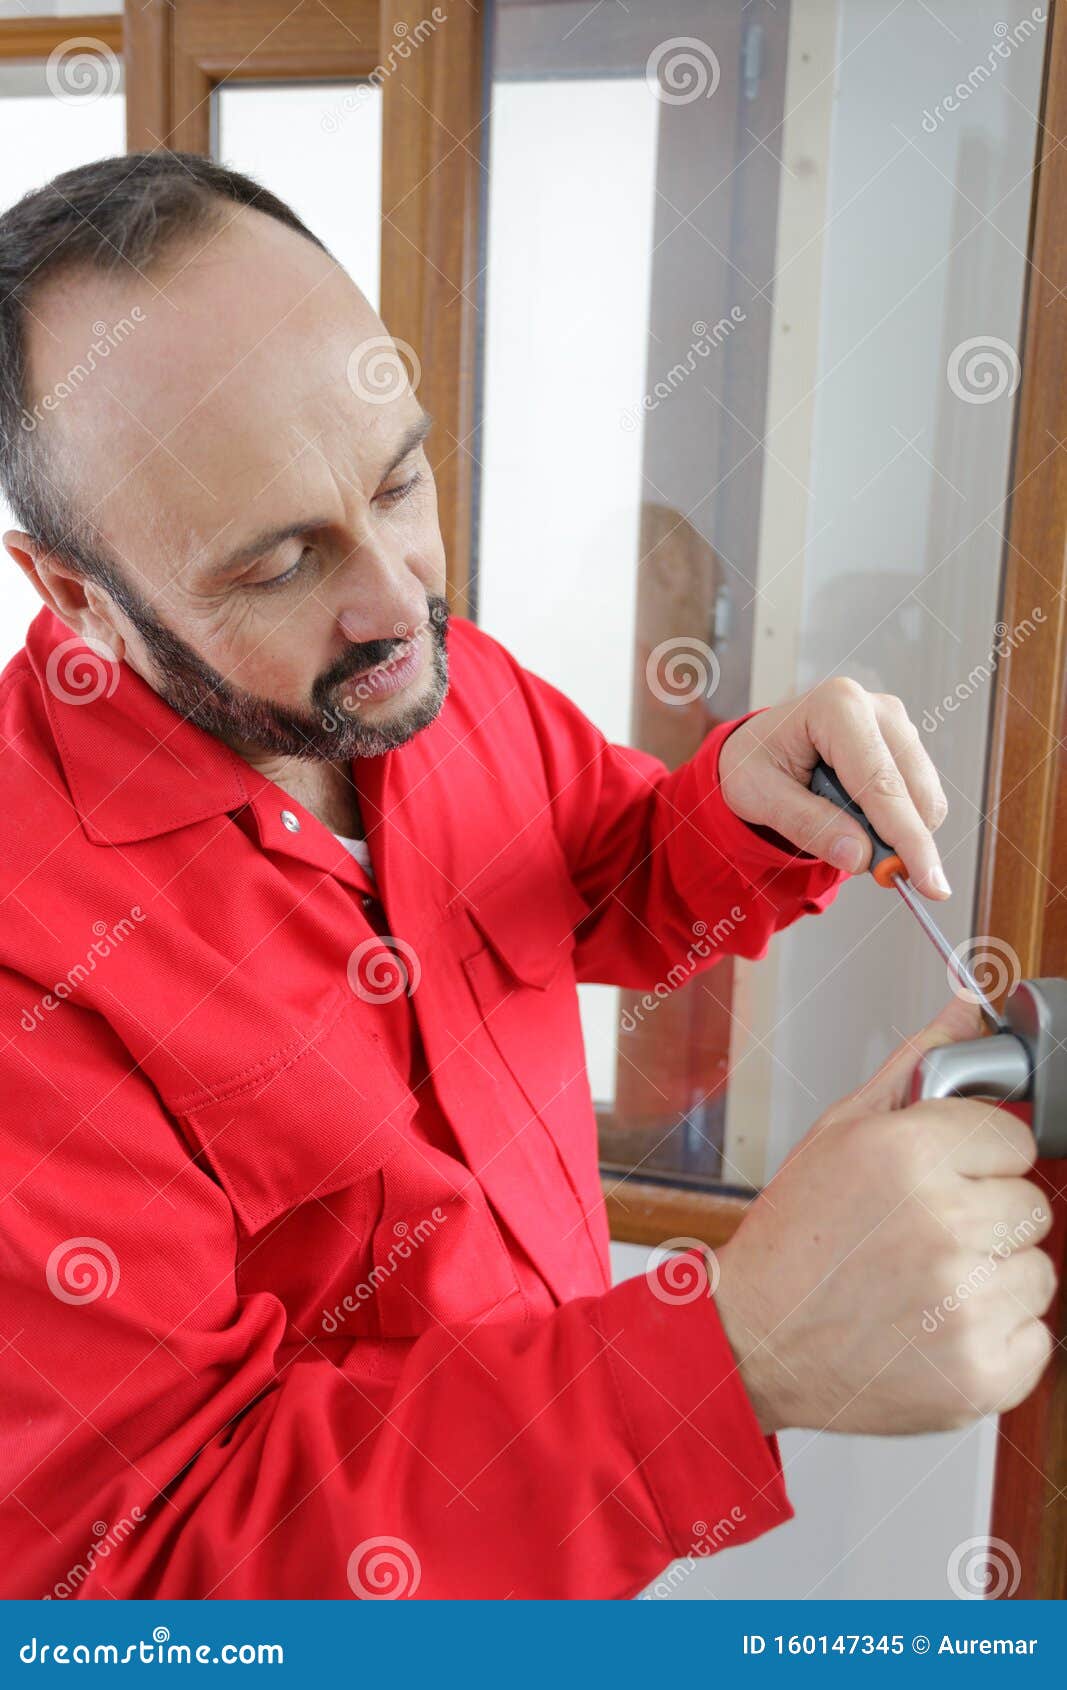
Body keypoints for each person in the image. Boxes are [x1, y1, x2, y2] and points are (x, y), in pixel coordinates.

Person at [0, 154, 1053, 1600]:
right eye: (281, 563)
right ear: (77, 597)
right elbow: (144, 1593)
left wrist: (742, 808)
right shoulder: (28, 962)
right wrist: (731, 1355)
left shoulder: (428, 680)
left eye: (399, 480)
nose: (400, 599)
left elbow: (607, 881)